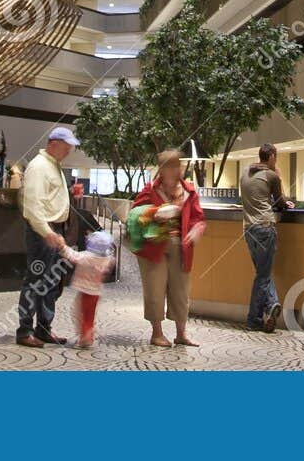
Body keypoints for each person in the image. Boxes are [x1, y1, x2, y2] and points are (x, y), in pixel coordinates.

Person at [129, 149, 206, 347]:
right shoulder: (150, 189)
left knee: (181, 291)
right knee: (155, 289)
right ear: (162, 170)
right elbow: (136, 214)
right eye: (170, 166)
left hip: (182, 247)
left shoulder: (189, 190)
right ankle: (157, 333)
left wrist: (197, 228)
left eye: (176, 165)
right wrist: (156, 213)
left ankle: (181, 334)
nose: (175, 170)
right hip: (154, 247)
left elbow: (198, 217)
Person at [15, 126, 77, 348]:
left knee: (52, 283)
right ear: (53, 144)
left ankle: (43, 329)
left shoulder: (53, 166)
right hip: (43, 232)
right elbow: (33, 206)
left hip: (53, 230)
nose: (70, 149)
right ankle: (24, 331)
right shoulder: (39, 167)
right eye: (67, 145)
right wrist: (47, 232)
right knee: (35, 281)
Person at [240, 142, 289, 332]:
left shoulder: (245, 172)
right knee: (263, 274)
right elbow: (280, 202)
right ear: (271, 157)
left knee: (262, 272)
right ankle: (254, 318)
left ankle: (271, 305)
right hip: (265, 227)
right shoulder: (271, 175)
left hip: (248, 229)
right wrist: (278, 173)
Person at [61, 229, 116, 349]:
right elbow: (111, 258)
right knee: (89, 315)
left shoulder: (86, 257)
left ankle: (85, 337)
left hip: (84, 292)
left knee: (79, 313)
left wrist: (62, 246)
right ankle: (88, 334)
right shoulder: (107, 260)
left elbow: (72, 255)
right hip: (96, 293)